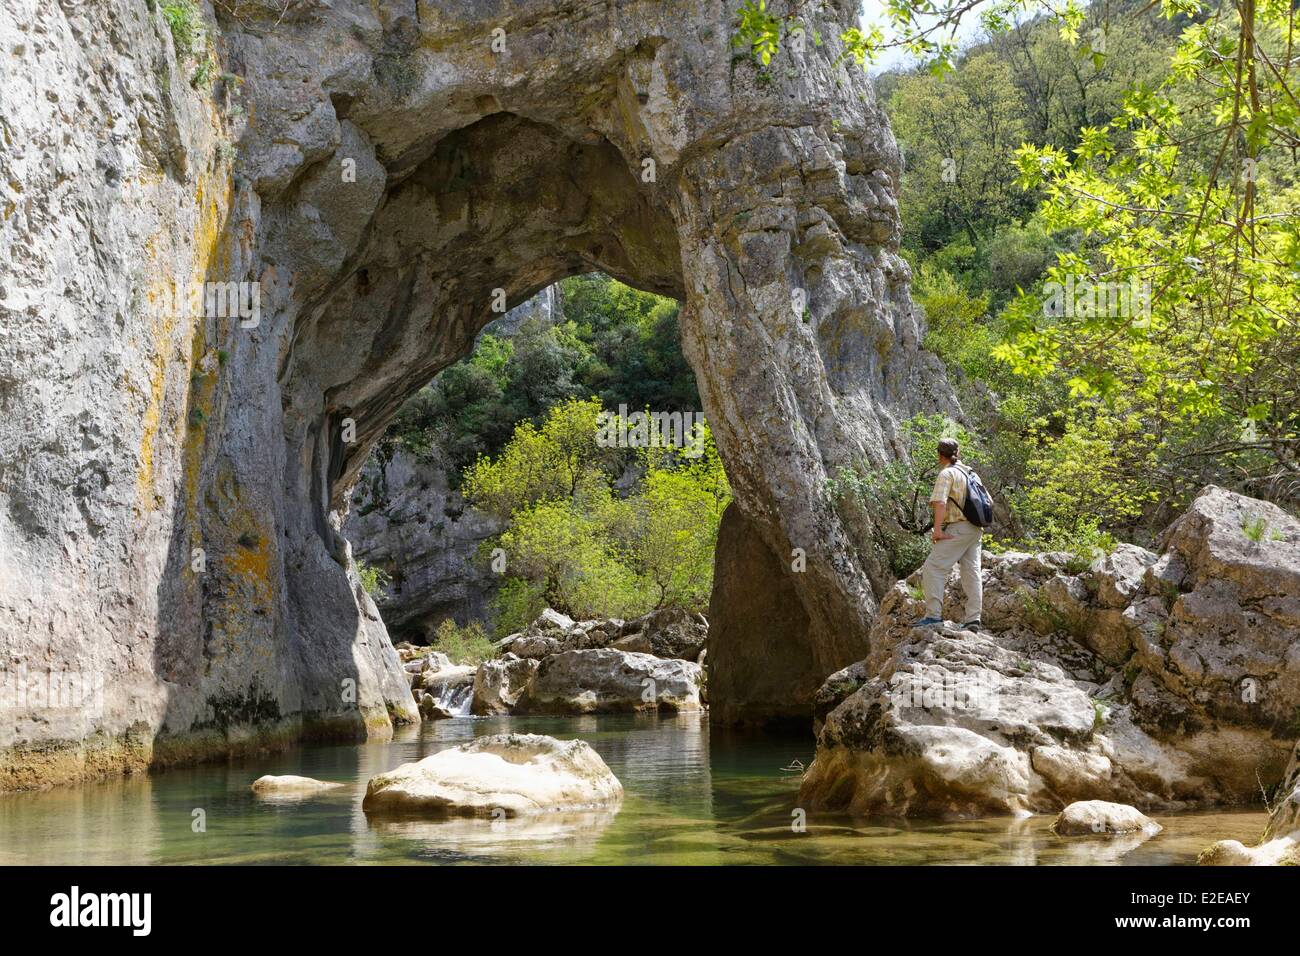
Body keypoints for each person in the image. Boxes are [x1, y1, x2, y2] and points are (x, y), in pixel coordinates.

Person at [913, 438, 983, 629]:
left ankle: (933, 617)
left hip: (958, 528)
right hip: (975, 528)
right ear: (957, 453)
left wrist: (937, 530)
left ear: (939, 455)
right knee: (971, 572)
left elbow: (941, 502)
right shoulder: (970, 472)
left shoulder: (947, 474)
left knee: (933, 567)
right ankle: (973, 620)